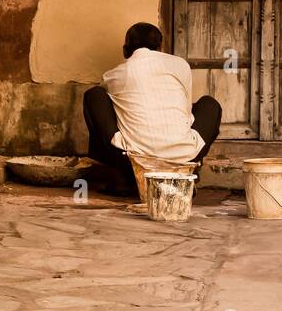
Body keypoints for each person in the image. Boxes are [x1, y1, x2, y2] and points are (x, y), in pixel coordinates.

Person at [82, 22, 222, 195]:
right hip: (184, 155)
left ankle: (122, 178)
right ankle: (184, 176)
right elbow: (186, 112)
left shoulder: (113, 75)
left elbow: (106, 114)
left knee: (94, 95)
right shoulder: (180, 64)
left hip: (132, 159)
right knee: (209, 104)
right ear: (160, 47)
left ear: (125, 50)